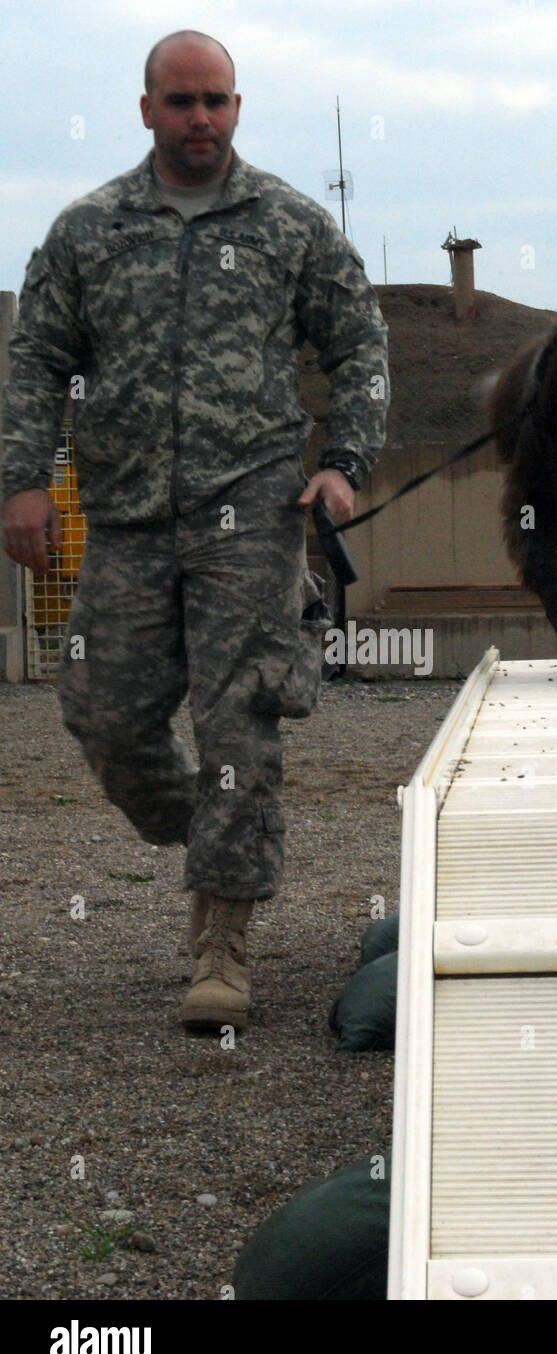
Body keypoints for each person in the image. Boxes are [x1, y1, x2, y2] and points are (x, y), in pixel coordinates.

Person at [0, 30, 389, 1031]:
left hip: (250, 510)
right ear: (146, 111)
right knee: (101, 711)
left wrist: (343, 465)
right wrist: (22, 483)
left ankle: (221, 944)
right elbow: (37, 356)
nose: (200, 119)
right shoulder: (87, 231)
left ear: (238, 106)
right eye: (181, 102)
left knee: (237, 725)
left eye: (216, 100)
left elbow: (357, 344)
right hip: (125, 516)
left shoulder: (287, 224)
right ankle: (203, 831)